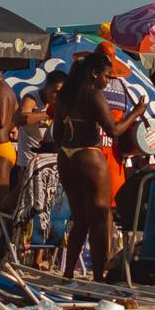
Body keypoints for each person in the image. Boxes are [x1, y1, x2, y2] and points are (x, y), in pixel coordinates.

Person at [53, 50, 118, 283]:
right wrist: (137, 113)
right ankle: (99, 277)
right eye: (106, 76)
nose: (107, 81)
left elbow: (56, 135)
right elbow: (114, 131)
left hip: (66, 159)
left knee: (80, 219)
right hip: (89, 158)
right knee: (100, 218)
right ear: (94, 74)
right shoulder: (94, 95)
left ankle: (68, 272)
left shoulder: (64, 97)